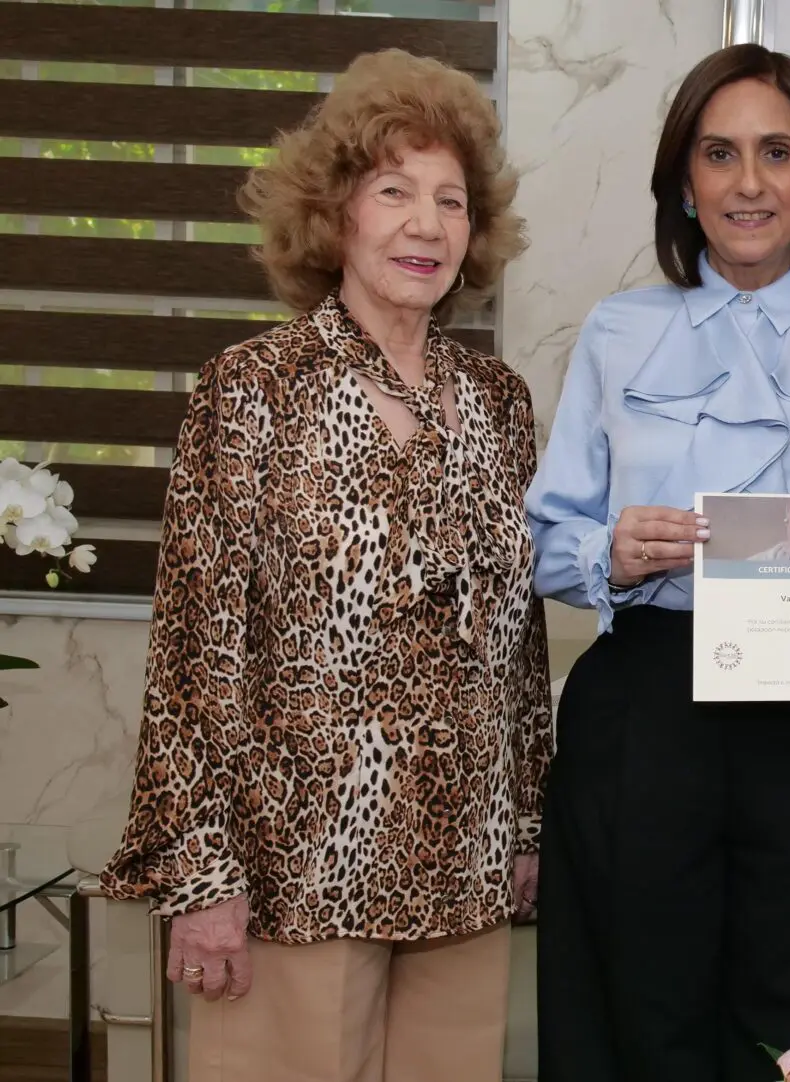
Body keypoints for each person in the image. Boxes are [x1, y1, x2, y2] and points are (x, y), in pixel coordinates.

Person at [99, 49, 546, 1082]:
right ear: (335, 209)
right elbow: (189, 653)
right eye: (394, 190)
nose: (425, 225)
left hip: (466, 868)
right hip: (294, 867)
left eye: (450, 198)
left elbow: (518, 647)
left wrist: (526, 824)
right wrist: (200, 874)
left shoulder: (499, 402)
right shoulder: (250, 390)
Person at [525, 44, 790, 1082]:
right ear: (685, 182)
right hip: (649, 717)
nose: (749, 182)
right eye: (719, 154)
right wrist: (608, 551)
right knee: (640, 1018)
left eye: (776, 152)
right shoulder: (619, 332)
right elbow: (542, 539)